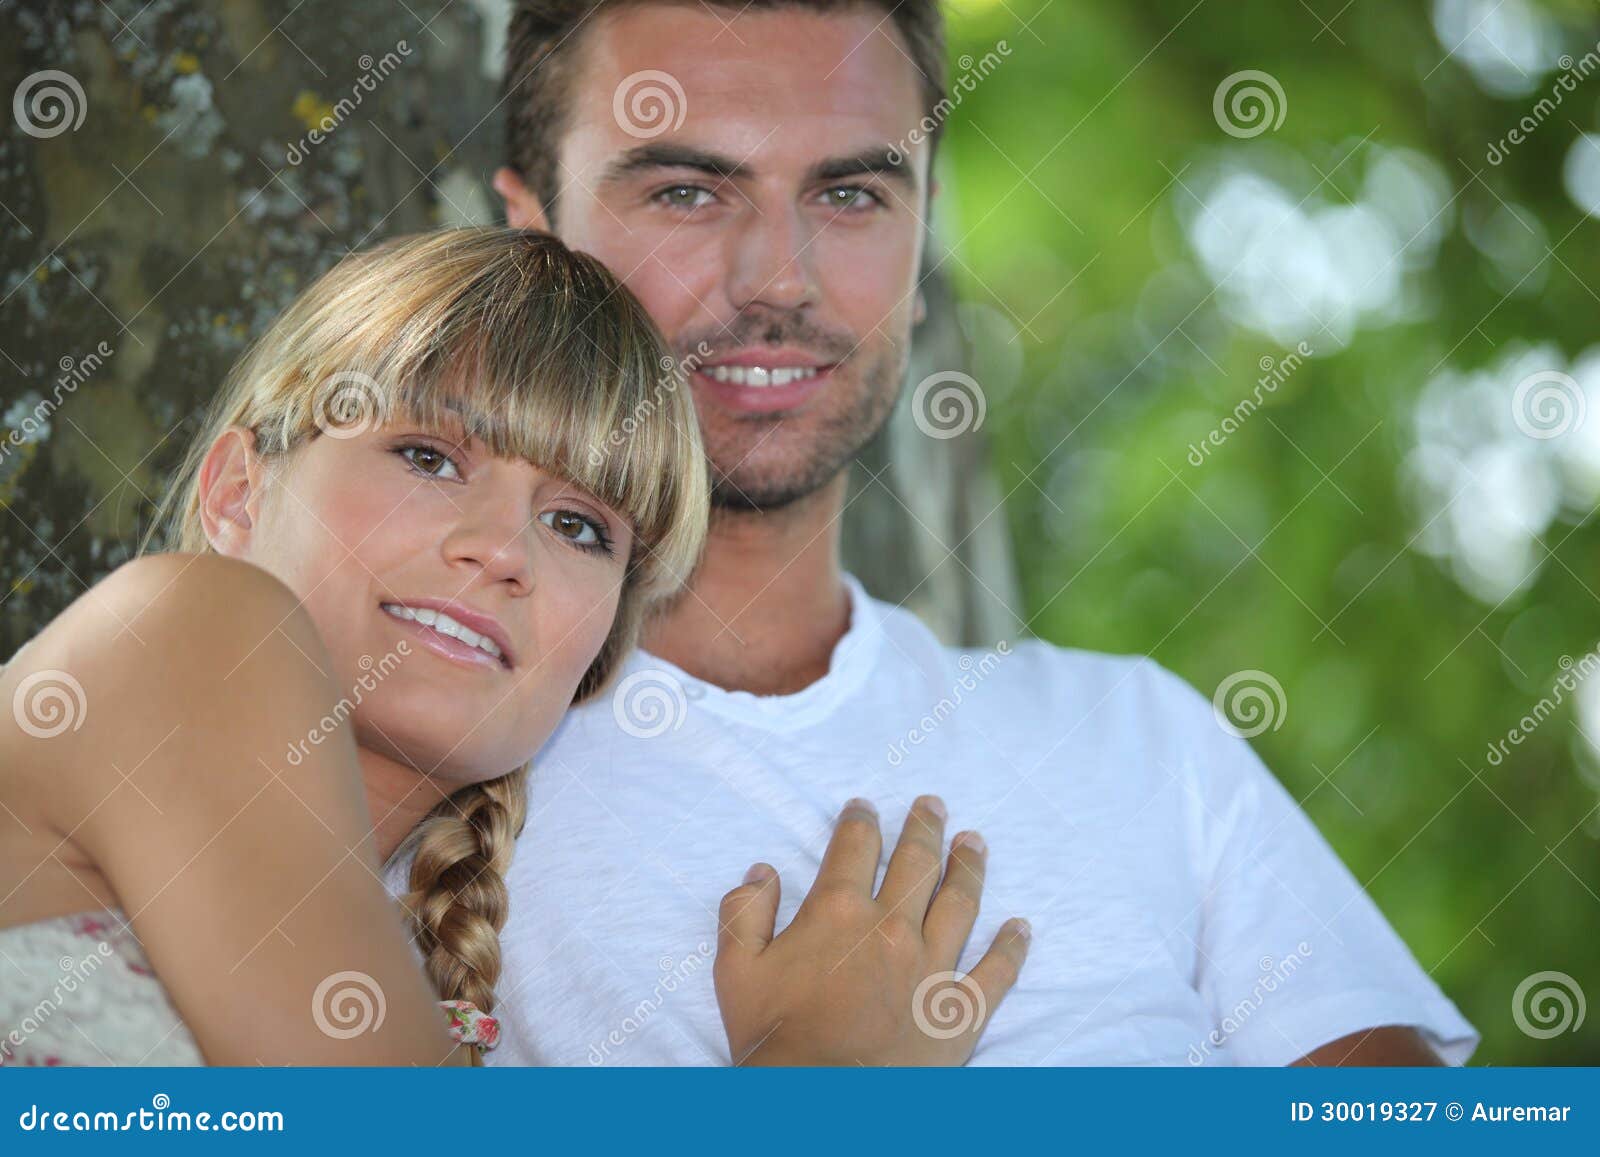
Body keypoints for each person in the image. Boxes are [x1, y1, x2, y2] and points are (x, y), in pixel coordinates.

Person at [472, 0, 1481, 1066]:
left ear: (922, 239)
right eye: (685, 190)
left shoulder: (1139, 739)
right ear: (529, 233)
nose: (778, 276)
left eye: (852, 193)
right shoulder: (406, 763)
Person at [0, 227, 1029, 1067]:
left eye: (579, 525)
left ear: (597, 656)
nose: (499, 549)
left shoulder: (448, 999)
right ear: (235, 490)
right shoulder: (190, 623)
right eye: (428, 454)